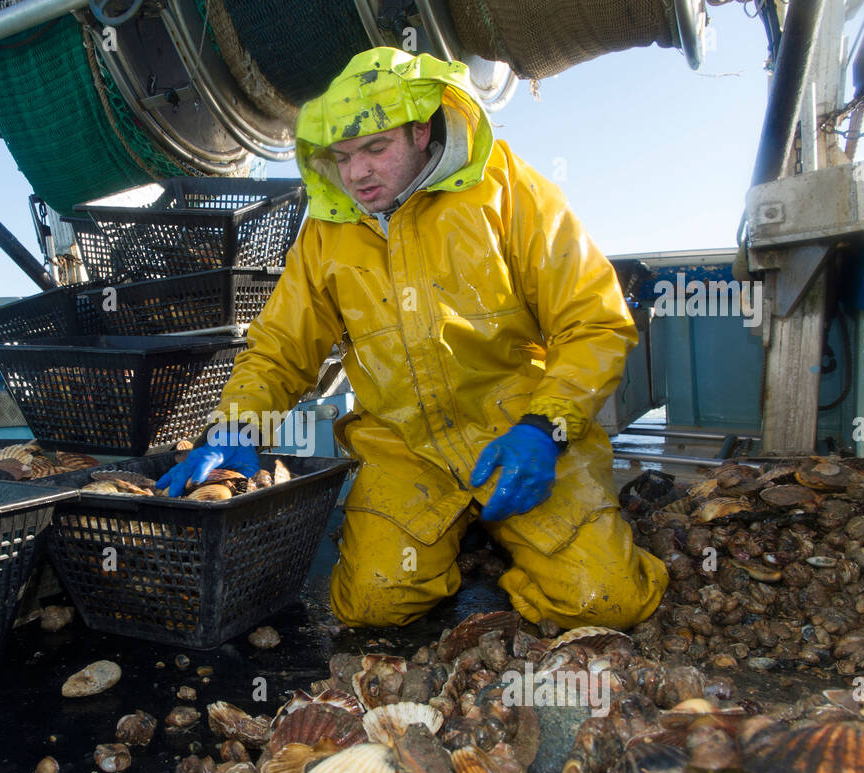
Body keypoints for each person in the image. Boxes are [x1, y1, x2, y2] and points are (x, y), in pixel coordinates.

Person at [158, 47, 668, 631]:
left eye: (376, 148)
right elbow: (280, 348)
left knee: (605, 602)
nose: (357, 174)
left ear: (422, 130)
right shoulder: (326, 231)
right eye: (342, 156)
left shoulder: (507, 189)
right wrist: (235, 427)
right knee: (372, 608)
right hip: (405, 447)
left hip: (519, 432)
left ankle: (519, 540)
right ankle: (478, 539)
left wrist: (546, 428)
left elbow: (594, 322)